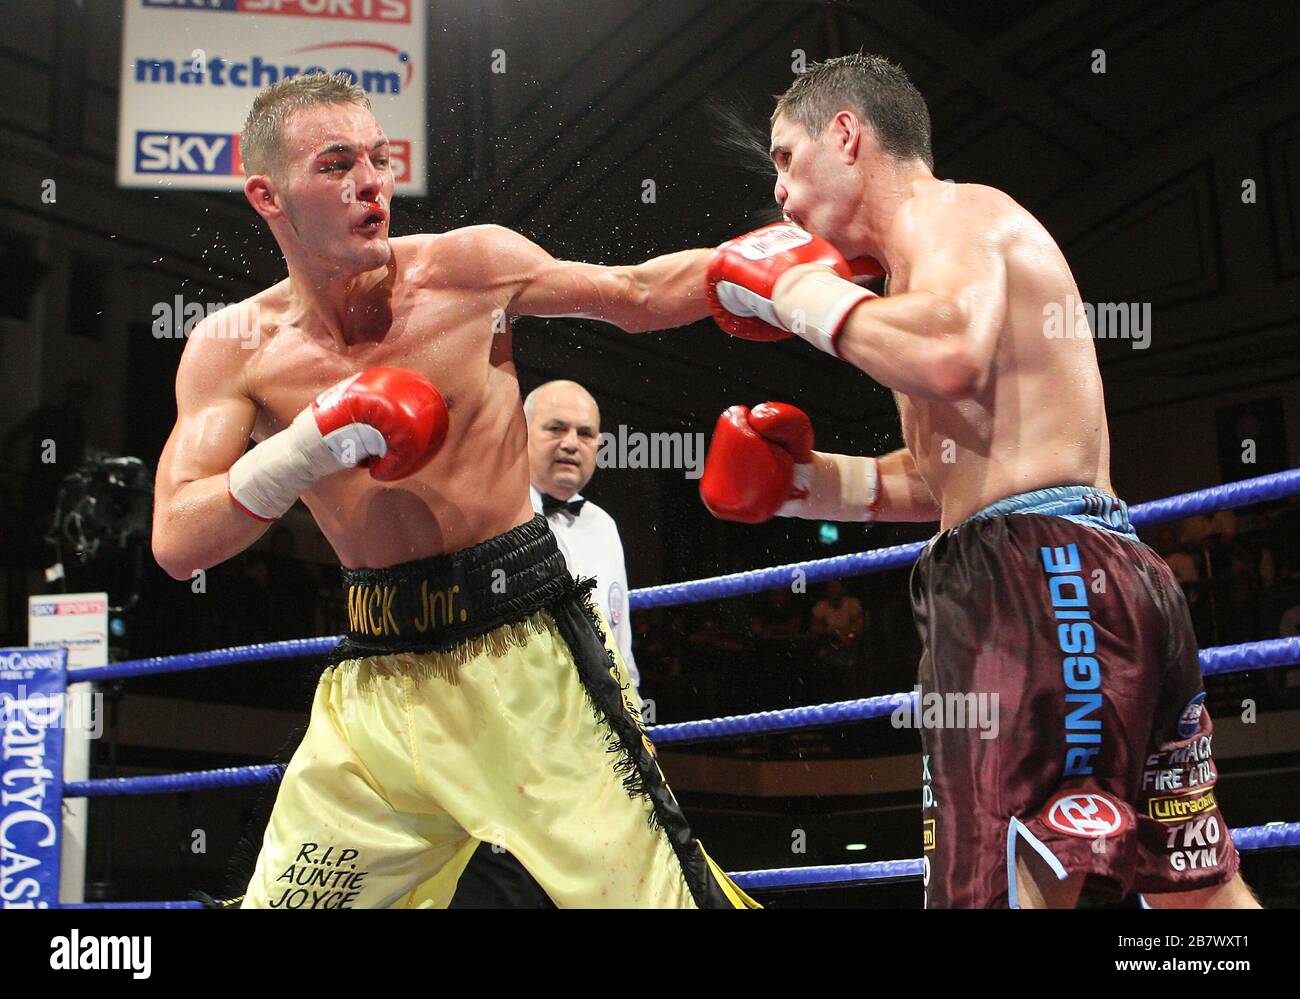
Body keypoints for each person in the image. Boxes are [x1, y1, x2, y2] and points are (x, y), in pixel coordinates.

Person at [151, 73, 753, 909]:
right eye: (335, 165)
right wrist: (302, 447)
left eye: (378, 157)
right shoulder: (233, 348)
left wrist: (778, 272)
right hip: (377, 679)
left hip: (529, 658)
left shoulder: (469, 268)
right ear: (267, 194)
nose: (371, 182)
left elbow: (637, 293)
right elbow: (179, 541)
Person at [698, 54, 1257, 909]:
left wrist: (798, 293)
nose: (777, 190)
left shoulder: (950, 213)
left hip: (1031, 581)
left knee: (993, 888)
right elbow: (938, 478)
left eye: (783, 155)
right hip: (1096, 570)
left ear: (846, 134)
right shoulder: (920, 270)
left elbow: (948, 354)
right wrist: (802, 487)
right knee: (1195, 897)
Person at [524, 379, 639, 695]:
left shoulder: (603, 526)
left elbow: (620, 643)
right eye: (556, 429)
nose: (571, 443)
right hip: (519, 716)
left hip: (597, 722)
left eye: (584, 433)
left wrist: (635, 721)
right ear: (520, 435)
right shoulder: (495, 515)